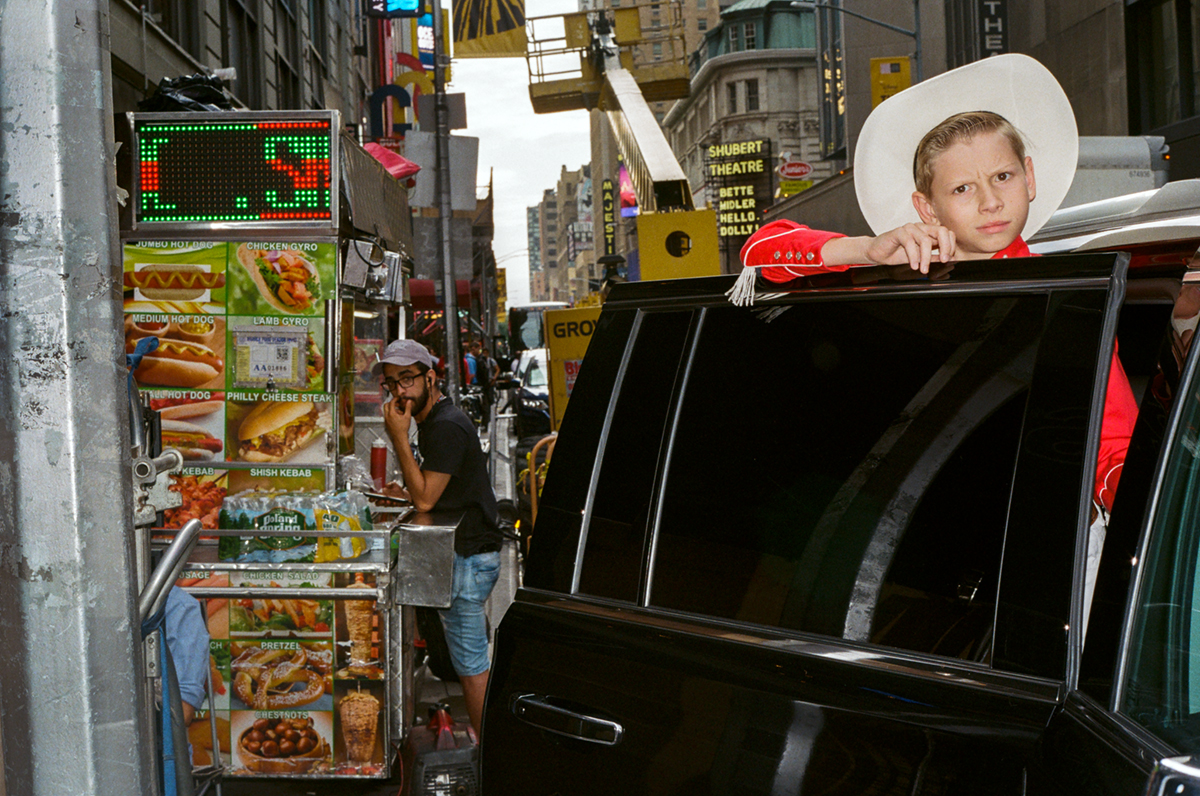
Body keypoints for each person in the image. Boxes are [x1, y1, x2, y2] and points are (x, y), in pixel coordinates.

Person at [735, 54, 1138, 516]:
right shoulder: (897, 282)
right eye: (962, 189)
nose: (990, 202)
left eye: (1002, 177)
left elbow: (1113, 451)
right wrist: (864, 251)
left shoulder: (1069, 299)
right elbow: (758, 255)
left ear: (1029, 178)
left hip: (1037, 544)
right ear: (926, 208)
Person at [374, 338, 501, 736]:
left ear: (430, 377)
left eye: (407, 379)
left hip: (467, 558)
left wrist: (397, 434)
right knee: (468, 660)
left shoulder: (445, 426)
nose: (400, 391)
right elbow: (429, 488)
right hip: (463, 554)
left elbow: (426, 499)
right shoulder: (434, 423)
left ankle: (486, 758)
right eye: (392, 383)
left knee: (471, 667)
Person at [476, 345, 498, 430]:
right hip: (486, 384)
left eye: (486, 352)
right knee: (486, 403)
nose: (484, 354)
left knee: (489, 401)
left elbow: (497, 369)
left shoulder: (490, 361)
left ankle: (491, 416)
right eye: (483, 352)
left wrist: (494, 378)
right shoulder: (481, 361)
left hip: (489, 384)